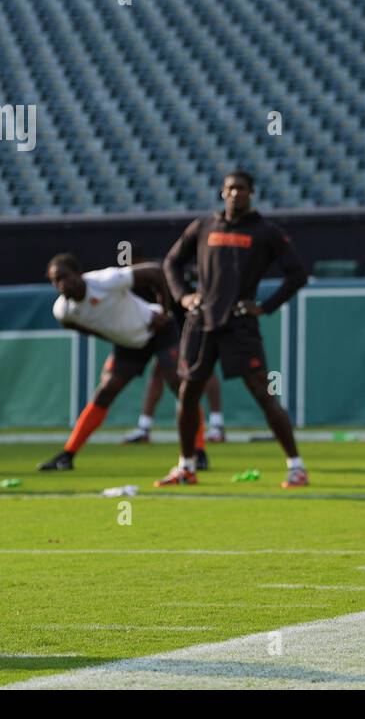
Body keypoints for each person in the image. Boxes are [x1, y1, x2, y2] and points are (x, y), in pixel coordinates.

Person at [162, 172, 308, 488]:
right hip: (201, 322)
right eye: (229, 188)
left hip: (239, 324)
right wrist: (183, 296)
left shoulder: (265, 231)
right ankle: (186, 466)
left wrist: (264, 306)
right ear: (221, 192)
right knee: (188, 394)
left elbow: (297, 274)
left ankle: (296, 467)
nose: (235, 194)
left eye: (241, 189)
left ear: (252, 193)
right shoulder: (203, 227)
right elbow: (171, 262)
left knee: (264, 394)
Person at [39, 254, 207, 472]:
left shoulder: (105, 280)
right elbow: (72, 325)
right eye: (54, 281)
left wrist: (164, 310)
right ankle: (68, 454)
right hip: (128, 344)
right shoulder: (63, 310)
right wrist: (114, 338)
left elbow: (155, 272)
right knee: (105, 392)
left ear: (78, 274)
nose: (60, 284)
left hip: (157, 330)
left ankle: (199, 450)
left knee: (180, 385)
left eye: (64, 277)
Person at [119, 245, 226, 448]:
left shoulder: (164, 269)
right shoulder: (132, 282)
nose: (129, 270)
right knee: (159, 371)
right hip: (168, 330)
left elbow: (199, 274)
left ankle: (216, 426)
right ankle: (144, 428)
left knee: (204, 367)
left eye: (131, 263)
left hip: (191, 322)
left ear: (140, 260)